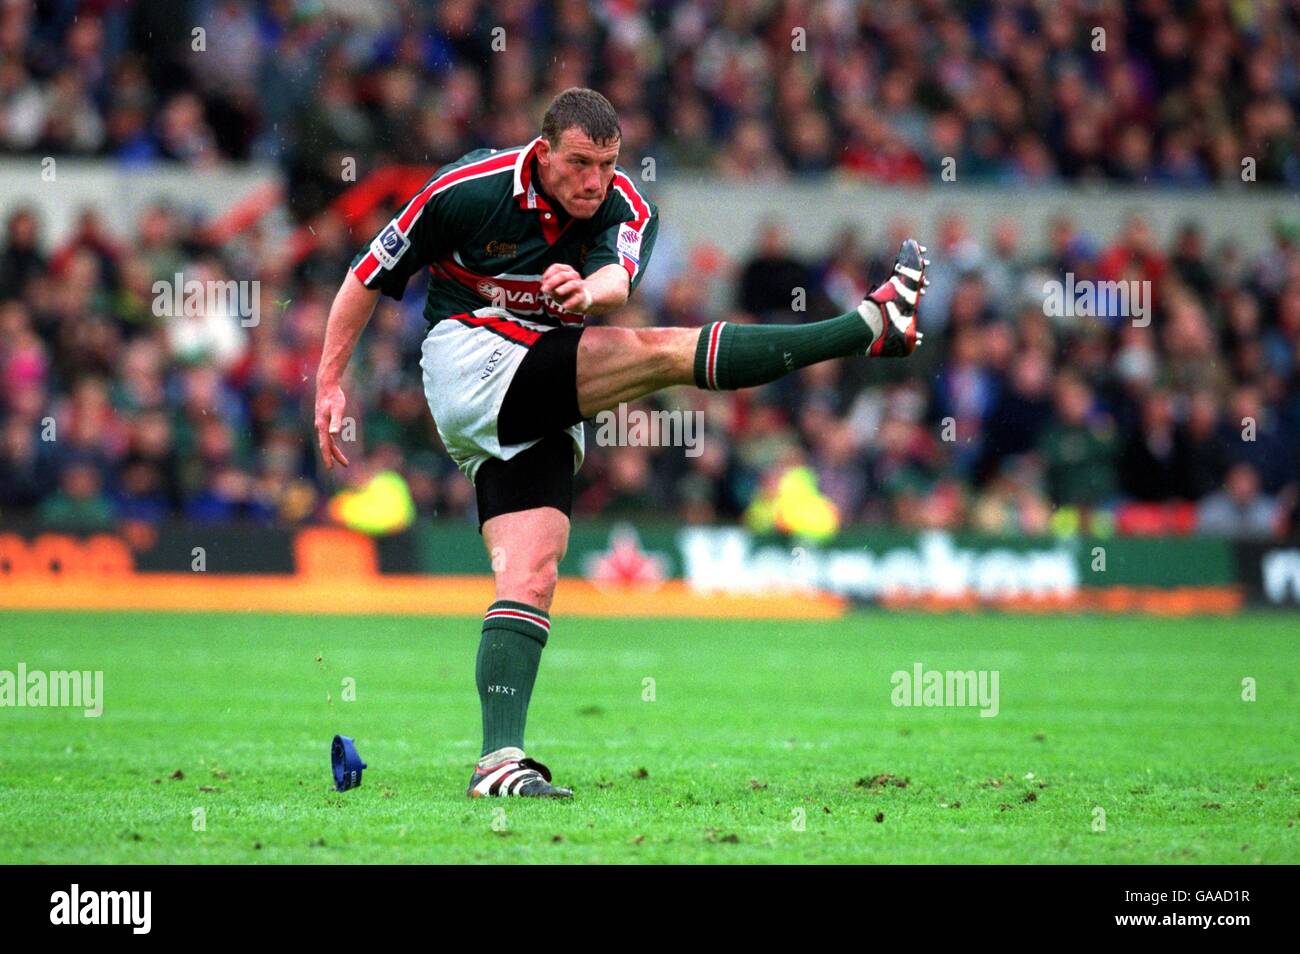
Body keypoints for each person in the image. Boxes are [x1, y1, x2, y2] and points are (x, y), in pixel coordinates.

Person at [313, 87, 928, 798]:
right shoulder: (465, 190)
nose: (594, 181)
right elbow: (366, 277)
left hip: (535, 386)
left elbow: (617, 278)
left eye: (607, 163)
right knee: (661, 352)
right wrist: (330, 384)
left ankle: (497, 763)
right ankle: (865, 329)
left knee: (531, 576)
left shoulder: (627, 204)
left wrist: (587, 291)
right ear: (543, 153)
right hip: (469, 360)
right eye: (579, 163)